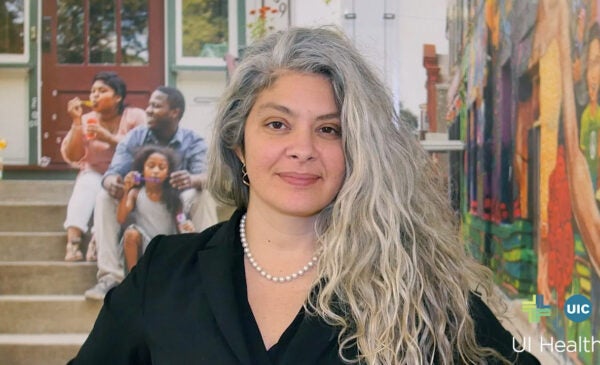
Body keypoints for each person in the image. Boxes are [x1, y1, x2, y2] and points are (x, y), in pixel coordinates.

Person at [69, 27, 539, 364]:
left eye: (330, 129)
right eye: (277, 124)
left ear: (357, 151)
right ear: (239, 143)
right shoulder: (165, 273)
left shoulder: (416, 287)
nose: (303, 149)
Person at [83, 86, 217, 300]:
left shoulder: (193, 141)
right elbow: (112, 172)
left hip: (175, 209)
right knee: (104, 197)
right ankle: (110, 278)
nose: (148, 110)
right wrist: (112, 182)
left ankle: (209, 274)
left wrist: (193, 179)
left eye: (156, 105)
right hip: (139, 209)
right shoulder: (135, 138)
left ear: (175, 112)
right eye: (149, 105)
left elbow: (207, 177)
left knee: (201, 194)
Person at [61, 71, 146, 262]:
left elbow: (144, 149)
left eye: (102, 91)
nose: (94, 95)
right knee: (85, 186)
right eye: (92, 91)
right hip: (95, 171)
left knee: (104, 196)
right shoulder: (86, 119)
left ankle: (97, 241)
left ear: (118, 97)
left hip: (125, 175)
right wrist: (76, 123)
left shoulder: (135, 116)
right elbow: (73, 156)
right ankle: (73, 243)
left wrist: (108, 138)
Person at [117, 146, 195, 272]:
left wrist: (186, 225)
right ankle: (134, 279)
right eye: (151, 166)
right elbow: (121, 218)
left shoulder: (173, 197)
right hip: (145, 246)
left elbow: (180, 219)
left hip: (166, 245)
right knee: (130, 234)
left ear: (168, 173)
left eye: (161, 167)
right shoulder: (135, 194)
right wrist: (126, 190)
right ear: (142, 169)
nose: (155, 171)